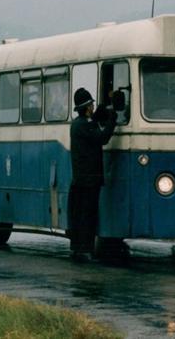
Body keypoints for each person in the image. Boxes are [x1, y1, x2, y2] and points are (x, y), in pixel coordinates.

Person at [68, 87, 117, 262]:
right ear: (87, 107)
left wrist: (104, 106)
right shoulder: (85, 125)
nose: (93, 107)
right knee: (89, 215)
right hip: (90, 179)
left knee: (80, 214)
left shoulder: (77, 124)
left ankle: (77, 248)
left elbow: (93, 121)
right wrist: (113, 117)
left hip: (81, 179)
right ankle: (85, 250)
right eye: (91, 104)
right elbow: (103, 137)